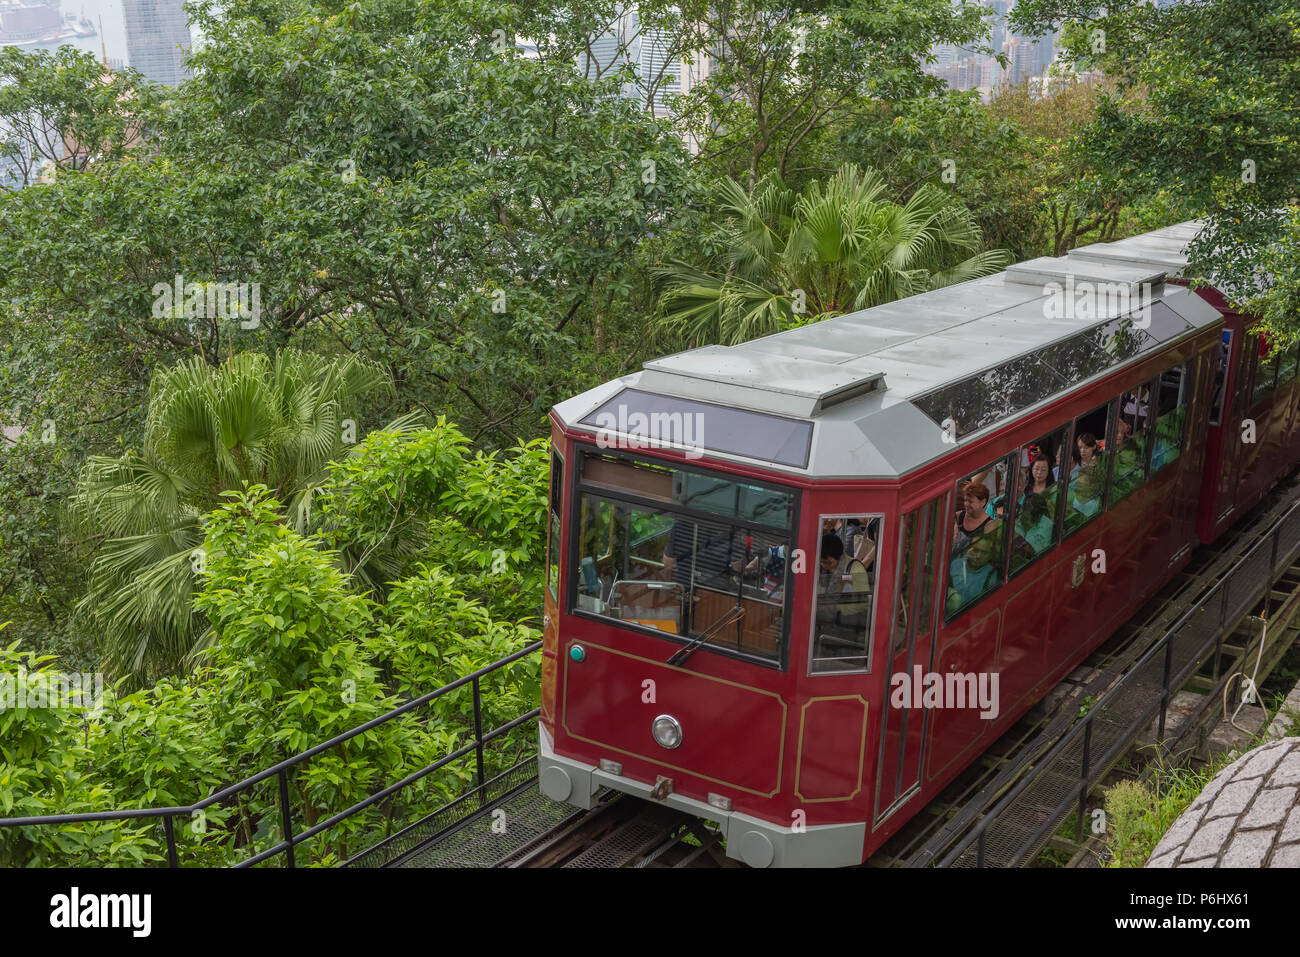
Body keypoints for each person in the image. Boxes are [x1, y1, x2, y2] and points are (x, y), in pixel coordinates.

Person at [946, 534, 999, 616]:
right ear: (969, 549)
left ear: (990, 555)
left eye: (984, 552)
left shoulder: (991, 574)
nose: (978, 556)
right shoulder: (956, 564)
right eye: (975, 550)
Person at [953, 480, 994, 554]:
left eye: (971, 501)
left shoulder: (989, 525)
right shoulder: (958, 516)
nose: (966, 504)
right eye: (965, 500)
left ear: (983, 502)